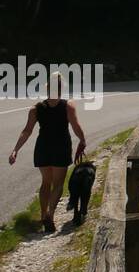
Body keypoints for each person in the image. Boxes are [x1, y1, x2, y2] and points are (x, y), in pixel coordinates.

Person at [7, 73, 87, 233]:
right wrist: (82, 140)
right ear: (62, 88)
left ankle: (44, 214)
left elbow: (27, 131)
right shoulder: (68, 106)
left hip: (43, 147)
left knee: (45, 183)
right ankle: (50, 214)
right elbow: (75, 126)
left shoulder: (36, 108)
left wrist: (15, 150)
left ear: (47, 88)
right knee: (57, 184)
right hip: (61, 147)